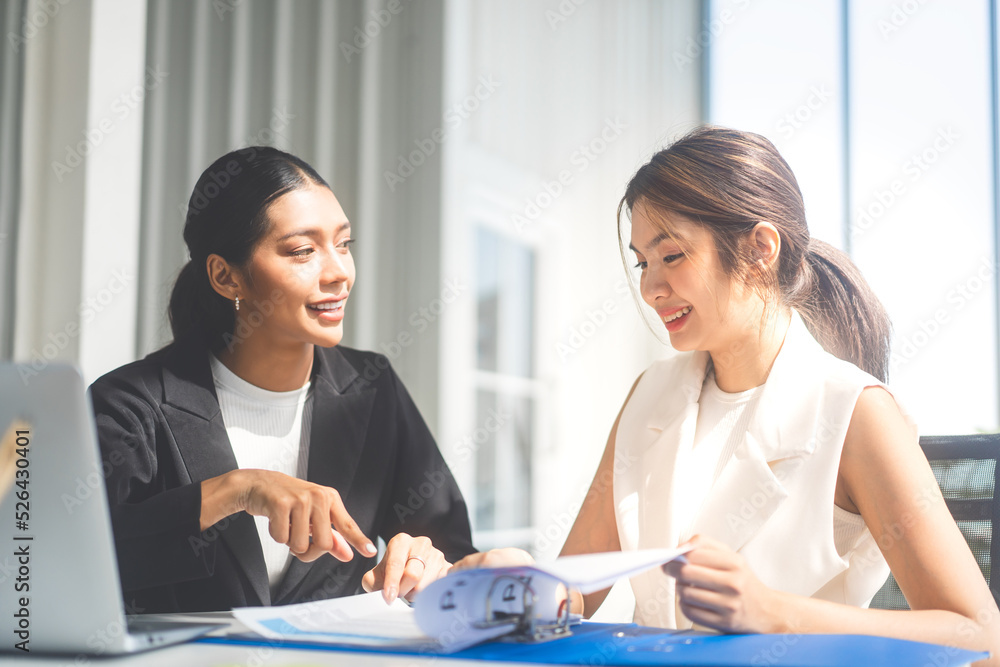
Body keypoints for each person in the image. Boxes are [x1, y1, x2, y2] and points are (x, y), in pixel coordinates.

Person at [455, 126, 1000, 662]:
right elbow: (576, 593)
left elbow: (981, 637)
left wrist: (772, 613)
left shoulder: (857, 412)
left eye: (671, 256)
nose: (649, 287)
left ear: (760, 248)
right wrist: (523, 586)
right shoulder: (649, 394)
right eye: (643, 262)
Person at [90, 146, 475, 613]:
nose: (338, 273)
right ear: (226, 277)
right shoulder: (129, 405)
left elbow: (453, 553)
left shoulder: (372, 388)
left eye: (344, 244)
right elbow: (63, 564)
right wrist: (237, 489)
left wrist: (425, 561)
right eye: (302, 251)